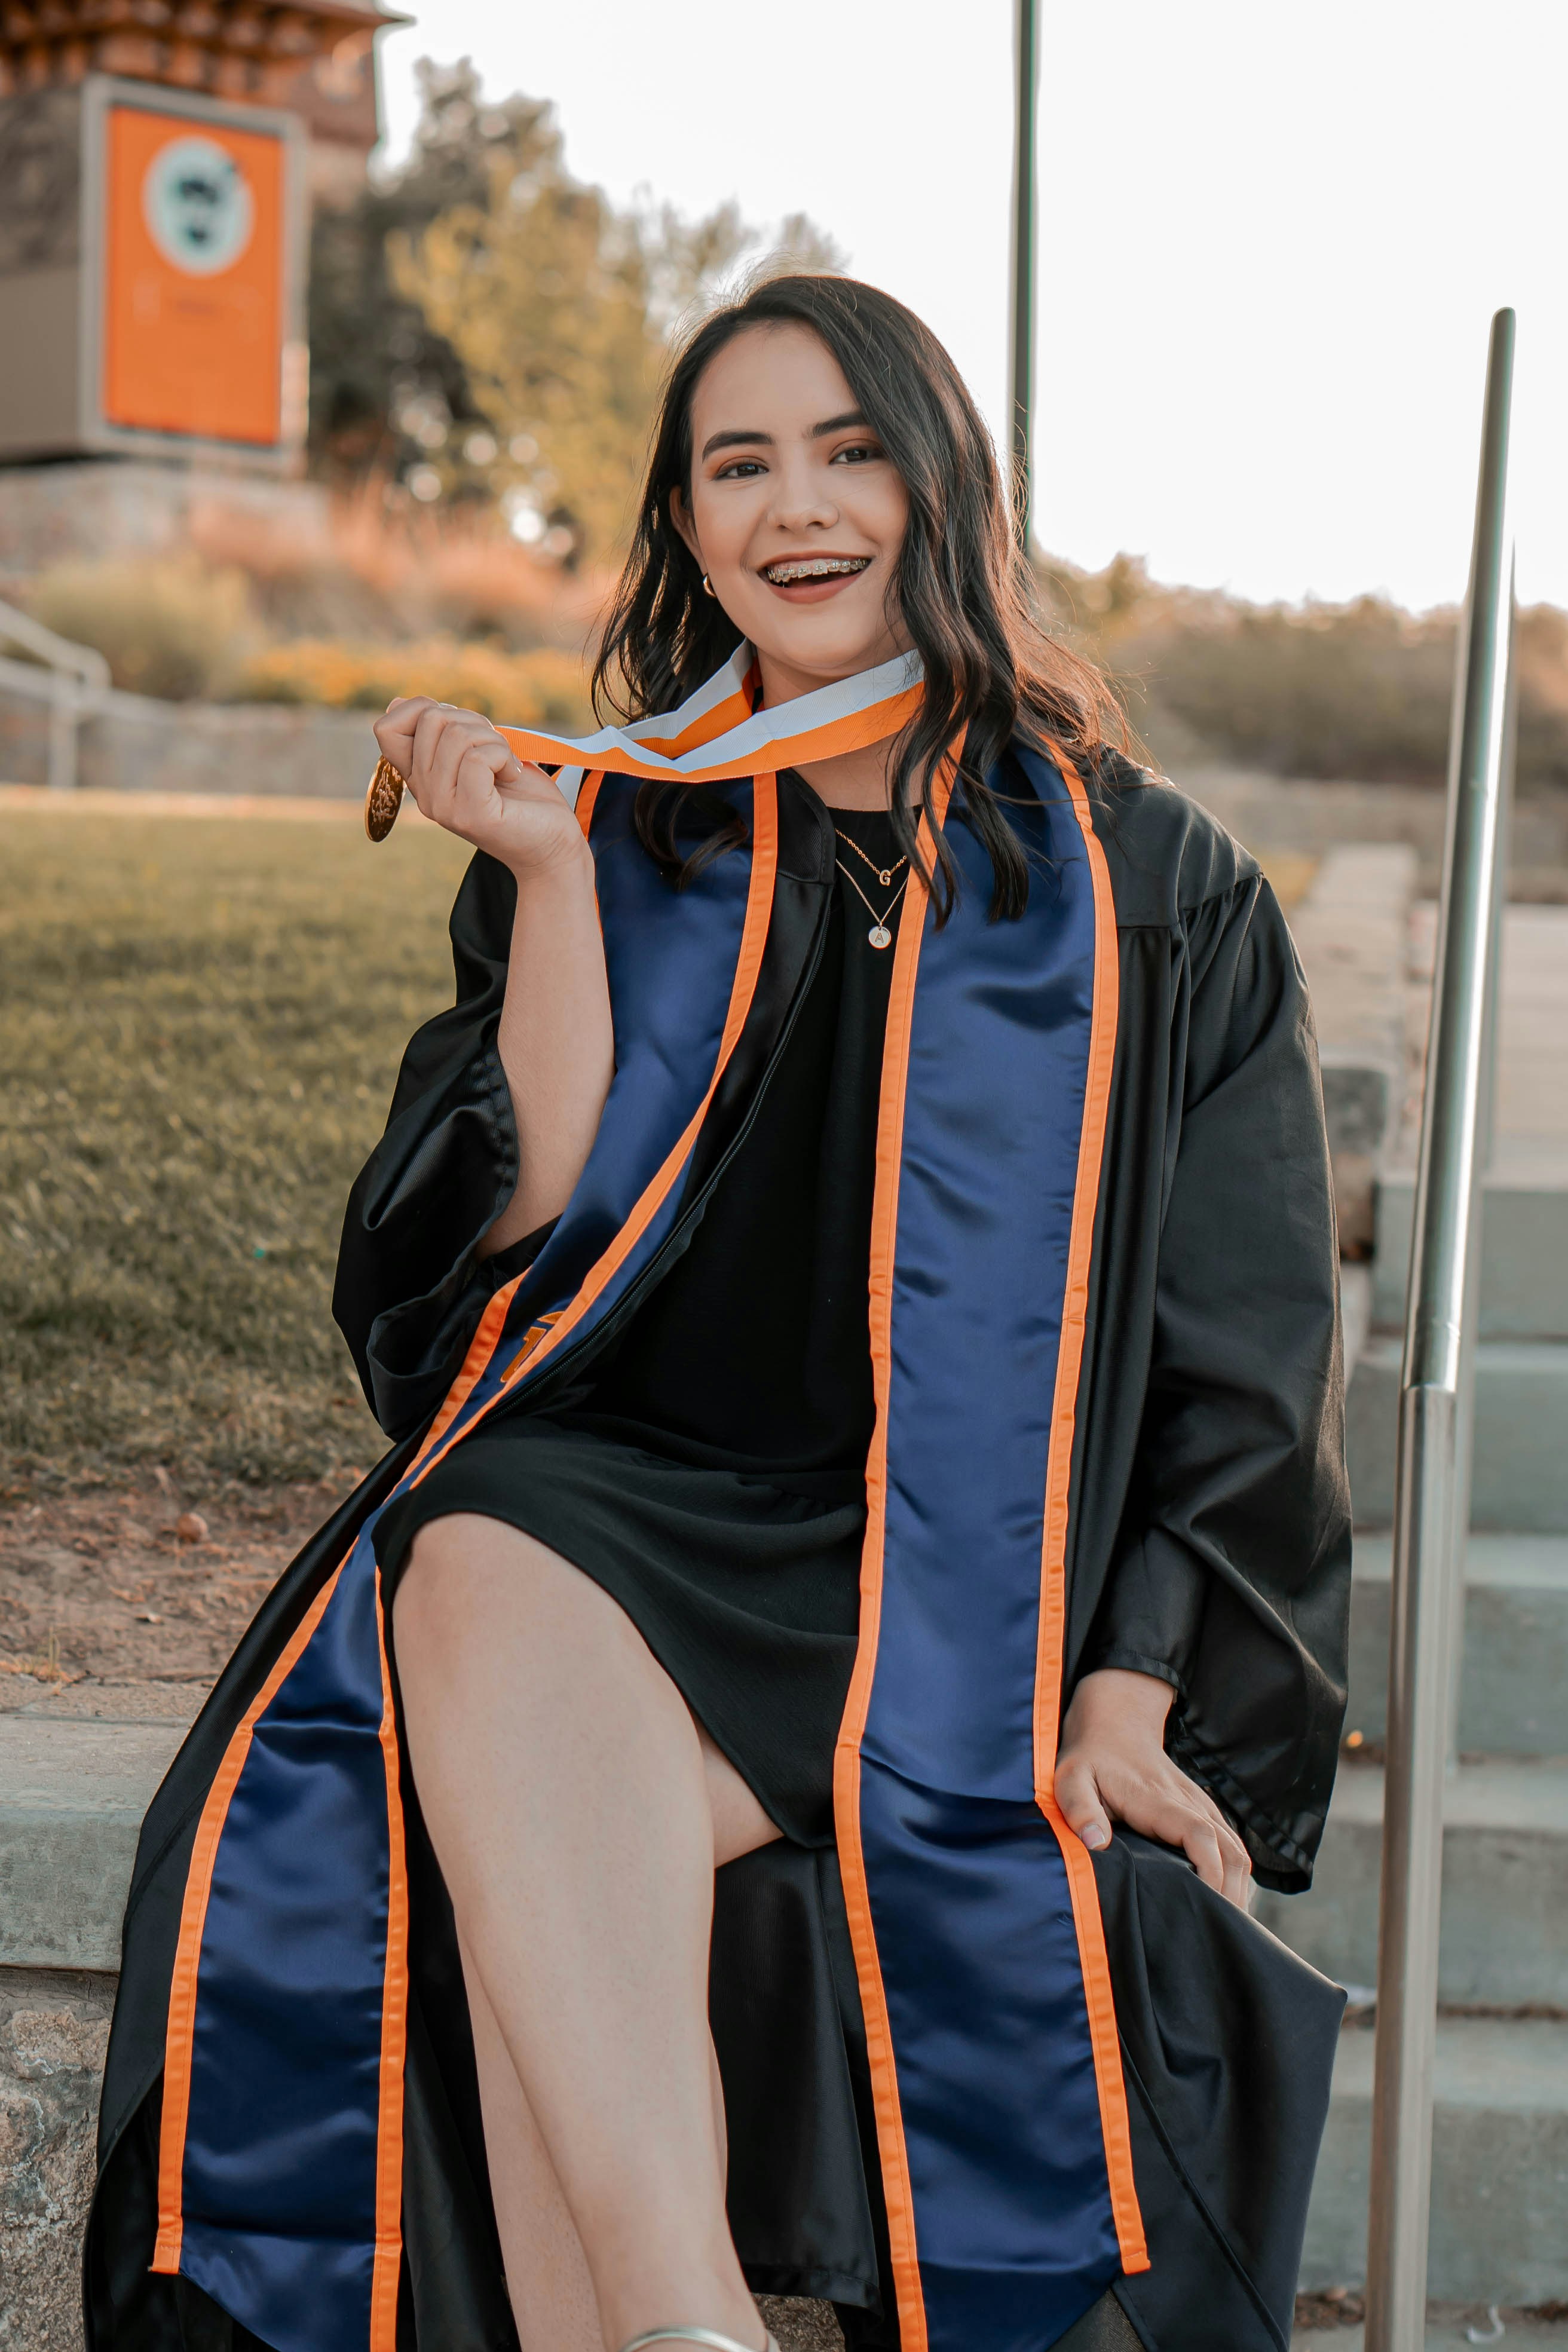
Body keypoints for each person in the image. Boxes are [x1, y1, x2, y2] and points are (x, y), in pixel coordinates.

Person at [87, 275, 1350, 2352]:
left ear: (946, 490)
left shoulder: (1145, 883)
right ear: (681, 529)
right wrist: (559, 880)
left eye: (851, 448)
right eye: (737, 465)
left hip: (939, 1567)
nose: (800, 505)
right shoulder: (623, 819)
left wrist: (1135, 1694)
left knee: (531, 1900)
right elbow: (520, 1242)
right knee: (474, 1543)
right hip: (619, 1517)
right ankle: (692, 2325)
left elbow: (1245, 1346)